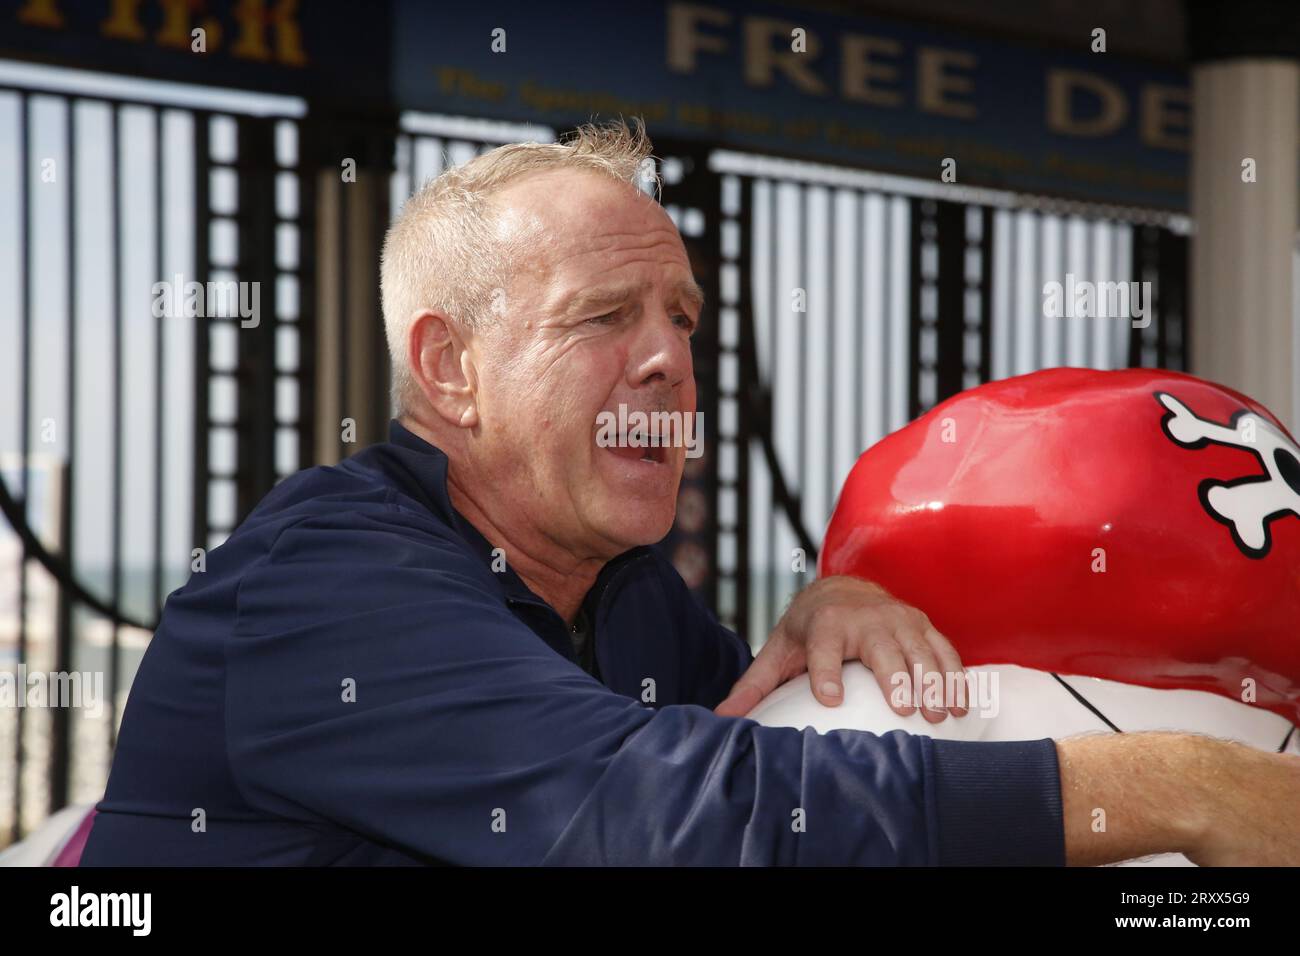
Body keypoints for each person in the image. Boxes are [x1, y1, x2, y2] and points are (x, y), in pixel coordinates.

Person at [81, 120, 1300, 866]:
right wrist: (1183, 785)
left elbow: (770, 755)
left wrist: (825, 607)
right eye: (605, 316)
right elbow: (681, 824)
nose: (668, 355)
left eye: (681, 316)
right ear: (449, 366)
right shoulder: (328, 577)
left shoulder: (620, 589)